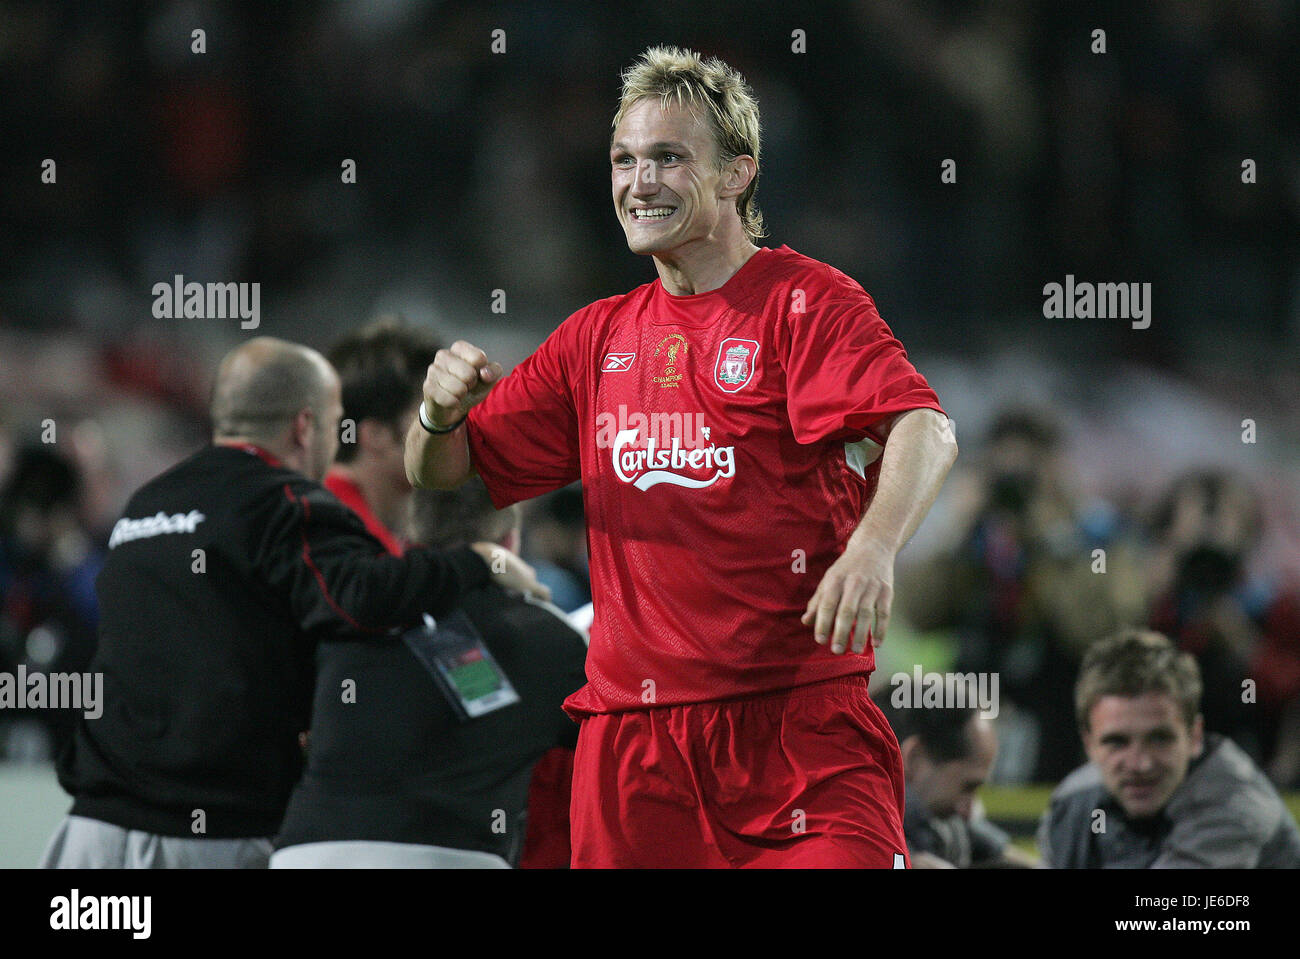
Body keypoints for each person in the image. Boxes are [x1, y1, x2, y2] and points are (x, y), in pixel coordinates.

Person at [405, 46, 958, 868]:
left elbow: (925, 426)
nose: (640, 181)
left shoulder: (804, 302)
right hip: (636, 752)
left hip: (799, 732)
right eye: (625, 160)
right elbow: (443, 473)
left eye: (669, 157)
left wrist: (874, 548)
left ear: (739, 174)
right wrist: (436, 413)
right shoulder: (595, 338)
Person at [42, 337, 543, 868]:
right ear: (306, 426)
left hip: (88, 833)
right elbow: (361, 599)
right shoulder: (287, 505)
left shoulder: (145, 507)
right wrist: (478, 561)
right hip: (209, 836)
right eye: (332, 422)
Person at [272, 479, 588, 868]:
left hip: (306, 851)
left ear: (405, 540)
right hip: (449, 854)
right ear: (509, 543)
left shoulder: (347, 613)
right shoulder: (554, 637)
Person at [1038, 628, 1300, 868]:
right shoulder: (1072, 804)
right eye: (1116, 742)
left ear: (1194, 736)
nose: (1140, 764)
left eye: (1159, 738)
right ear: (1089, 744)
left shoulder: (1238, 808)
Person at [324, 317, 442, 555]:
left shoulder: (376, 538)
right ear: (377, 435)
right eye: (434, 414)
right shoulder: (339, 538)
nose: (455, 428)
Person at [881, 693, 1032, 868]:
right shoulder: (865, 839)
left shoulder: (946, 825)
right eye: (967, 787)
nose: (969, 810)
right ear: (916, 758)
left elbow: (999, 851)